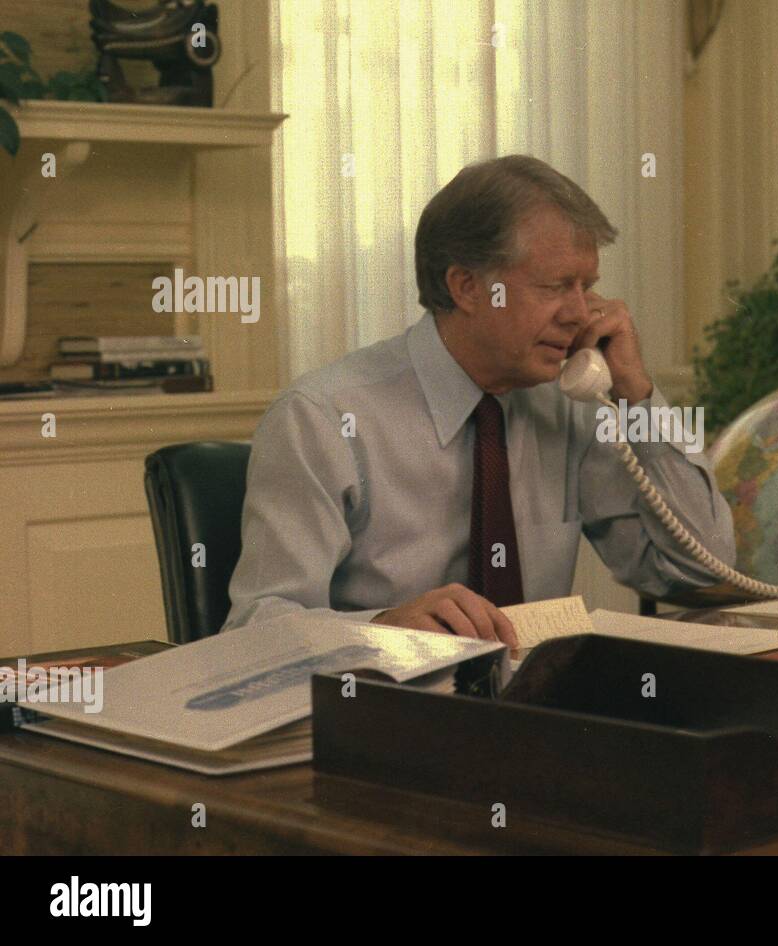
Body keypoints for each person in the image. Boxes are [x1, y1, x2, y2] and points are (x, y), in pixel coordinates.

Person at [221, 155, 736, 646]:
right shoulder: (323, 417)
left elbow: (700, 571)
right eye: (557, 286)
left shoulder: (572, 406)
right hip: (384, 713)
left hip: (529, 714)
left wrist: (638, 396)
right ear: (467, 287)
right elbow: (256, 628)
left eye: (588, 287)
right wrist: (380, 628)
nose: (582, 314)